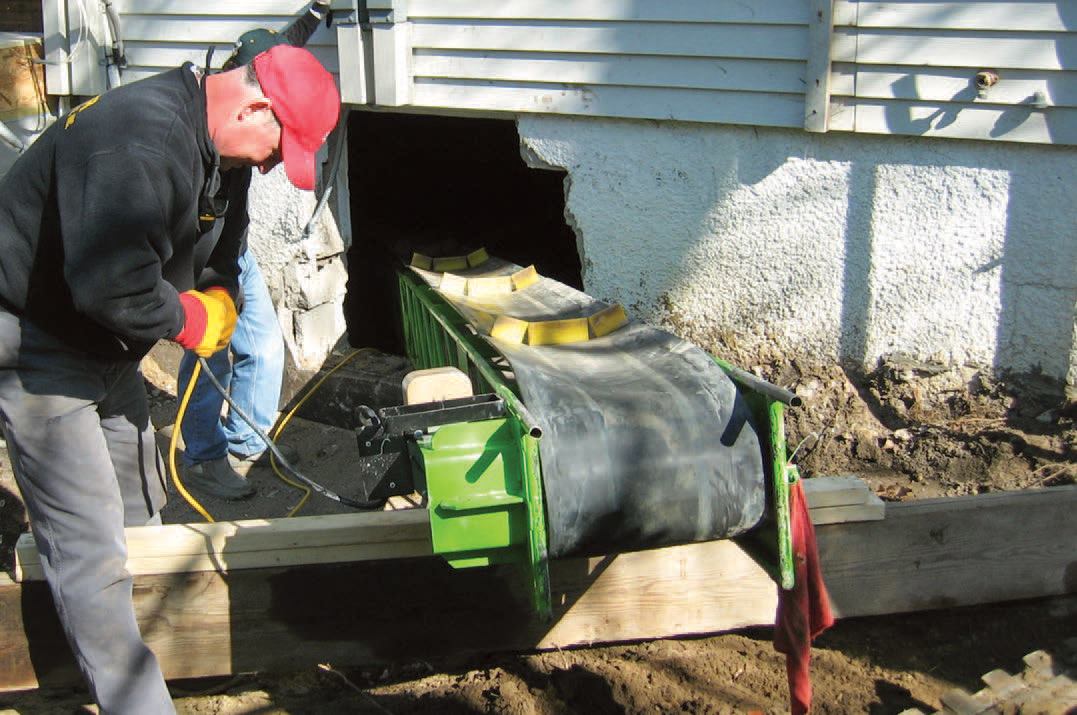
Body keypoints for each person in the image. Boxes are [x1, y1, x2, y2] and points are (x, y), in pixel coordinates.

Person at [0, 41, 339, 713]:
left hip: (104, 340)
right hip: (36, 340)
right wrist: (186, 320)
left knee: (140, 502)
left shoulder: (219, 149)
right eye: (277, 147)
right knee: (89, 542)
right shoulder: (137, 141)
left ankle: (170, 648)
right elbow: (108, 283)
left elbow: (225, 248)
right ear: (254, 106)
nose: (272, 164)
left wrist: (220, 299)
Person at [176, 1, 331, 499]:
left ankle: (249, 439)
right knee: (211, 352)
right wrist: (207, 291)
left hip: (229, 248)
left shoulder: (263, 82)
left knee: (262, 344)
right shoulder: (205, 129)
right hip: (195, 251)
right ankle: (203, 458)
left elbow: (291, 38)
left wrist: (317, 9)